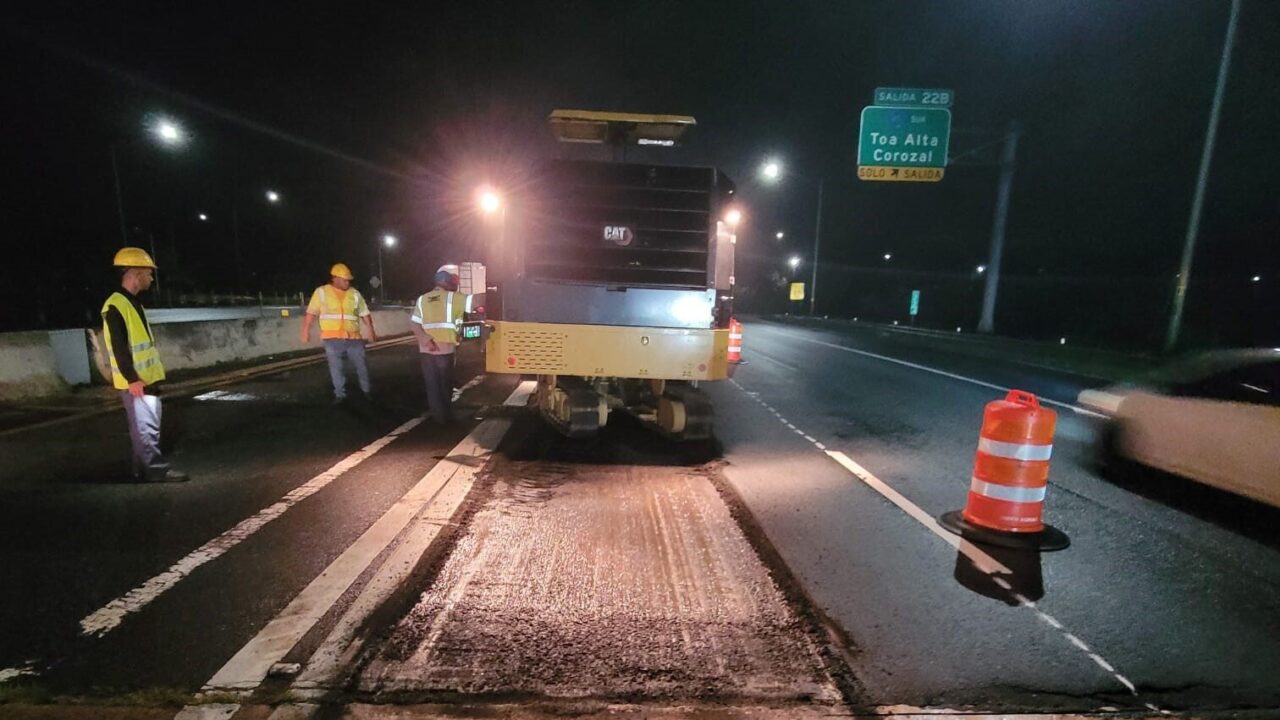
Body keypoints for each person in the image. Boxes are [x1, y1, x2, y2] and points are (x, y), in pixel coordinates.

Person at [102, 247, 188, 482]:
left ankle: (142, 470)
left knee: (146, 428)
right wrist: (132, 379)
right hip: (136, 381)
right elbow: (119, 347)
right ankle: (156, 471)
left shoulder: (132, 303)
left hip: (145, 378)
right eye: (149, 273)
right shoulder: (116, 305)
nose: (151, 278)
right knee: (145, 429)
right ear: (136, 272)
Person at [301, 263, 378, 403]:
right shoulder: (321, 292)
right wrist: (306, 331)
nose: (347, 282)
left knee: (361, 366)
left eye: (348, 280)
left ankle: (366, 391)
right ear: (335, 278)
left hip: (354, 338)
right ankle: (340, 395)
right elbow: (311, 313)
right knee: (336, 368)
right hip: (332, 338)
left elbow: (365, 313)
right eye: (344, 279)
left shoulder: (354, 294)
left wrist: (371, 330)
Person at [410, 264, 473, 424]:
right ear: (446, 282)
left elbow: (415, 324)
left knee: (432, 385)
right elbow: (476, 303)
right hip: (445, 349)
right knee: (445, 384)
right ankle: (447, 417)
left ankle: (438, 418)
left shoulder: (422, 299)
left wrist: (426, 340)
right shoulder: (454, 297)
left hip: (426, 349)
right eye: (452, 281)